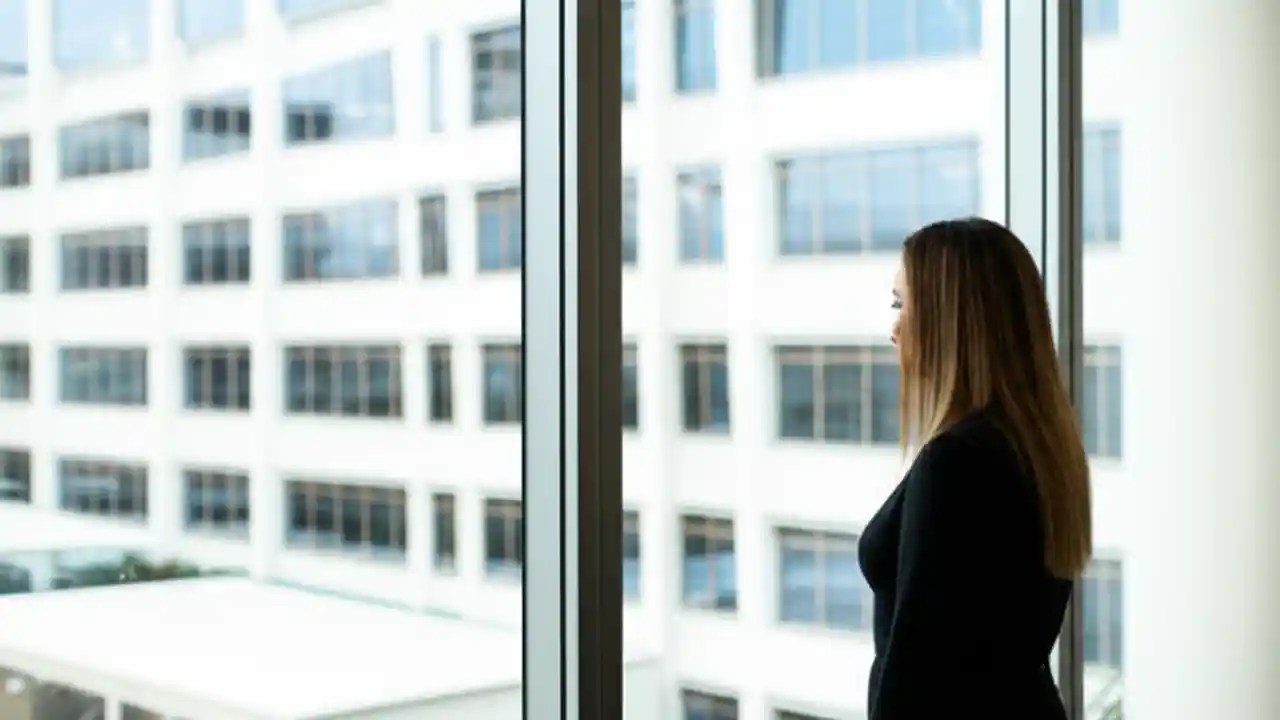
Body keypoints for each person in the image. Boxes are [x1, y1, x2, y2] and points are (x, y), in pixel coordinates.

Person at [858, 218, 1093, 719]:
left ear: (951, 319)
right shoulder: (1037, 448)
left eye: (902, 304)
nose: (893, 330)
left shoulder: (955, 464)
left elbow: (915, 681)